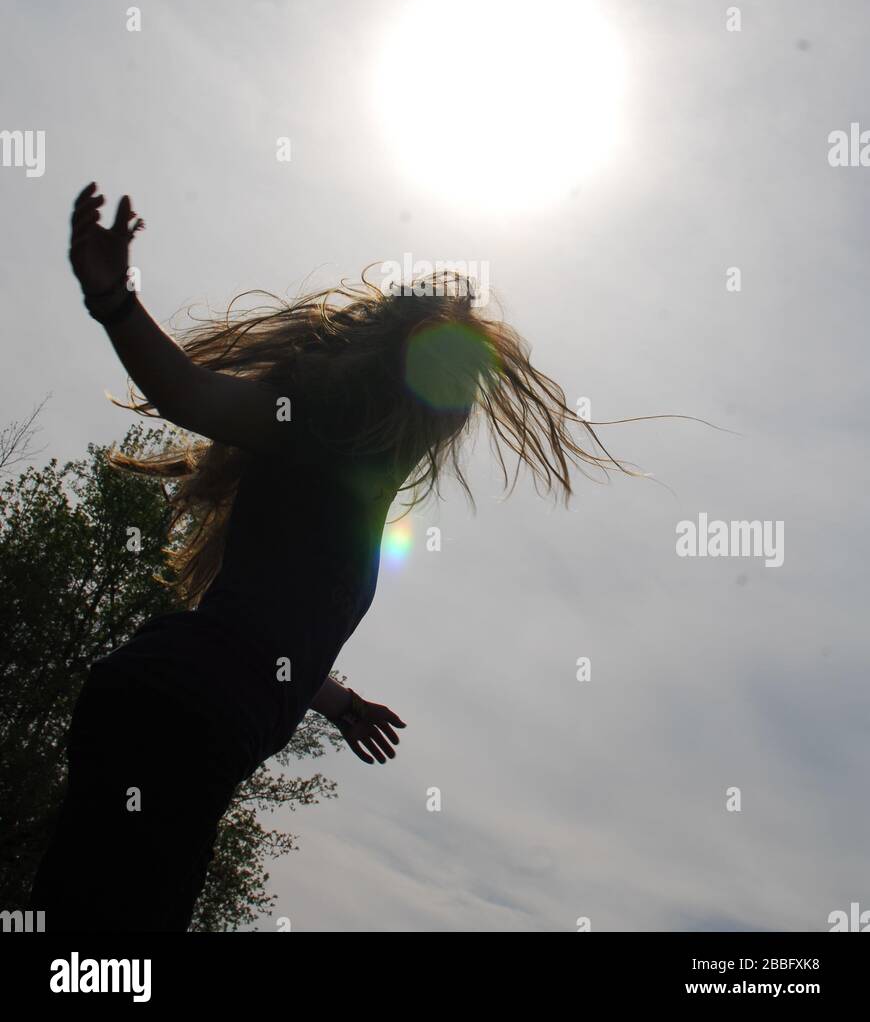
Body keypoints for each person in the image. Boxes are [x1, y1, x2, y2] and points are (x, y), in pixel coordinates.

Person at [29, 182, 636, 932]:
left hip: (181, 710)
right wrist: (113, 299)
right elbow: (186, 393)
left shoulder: (358, 491)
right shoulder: (309, 427)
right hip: (182, 718)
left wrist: (341, 705)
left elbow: (274, 640)